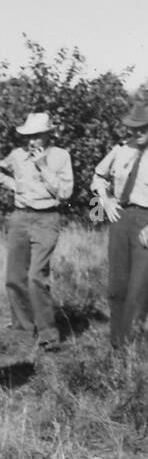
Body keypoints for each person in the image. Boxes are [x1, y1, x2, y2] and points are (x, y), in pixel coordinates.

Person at [0, 112, 74, 354]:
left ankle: (48, 334)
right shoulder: (17, 156)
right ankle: (23, 329)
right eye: (29, 136)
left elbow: (65, 193)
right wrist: (13, 185)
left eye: (37, 136)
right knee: (14, 276)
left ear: (48, 134)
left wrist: (42, 166)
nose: (32, 141)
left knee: (36, 276)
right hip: (20, 217)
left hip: (46, 219)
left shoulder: (60, 156)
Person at [91, 101, 148, 347]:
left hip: (146, 222)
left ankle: (132, 346)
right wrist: (105, 201)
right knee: (117, 285)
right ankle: (117, 345)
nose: (137, 132)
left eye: (143, 128)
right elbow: (98, 176)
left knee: (139, 287)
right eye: (133, 128)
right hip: (121, 219)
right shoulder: (121, 150)